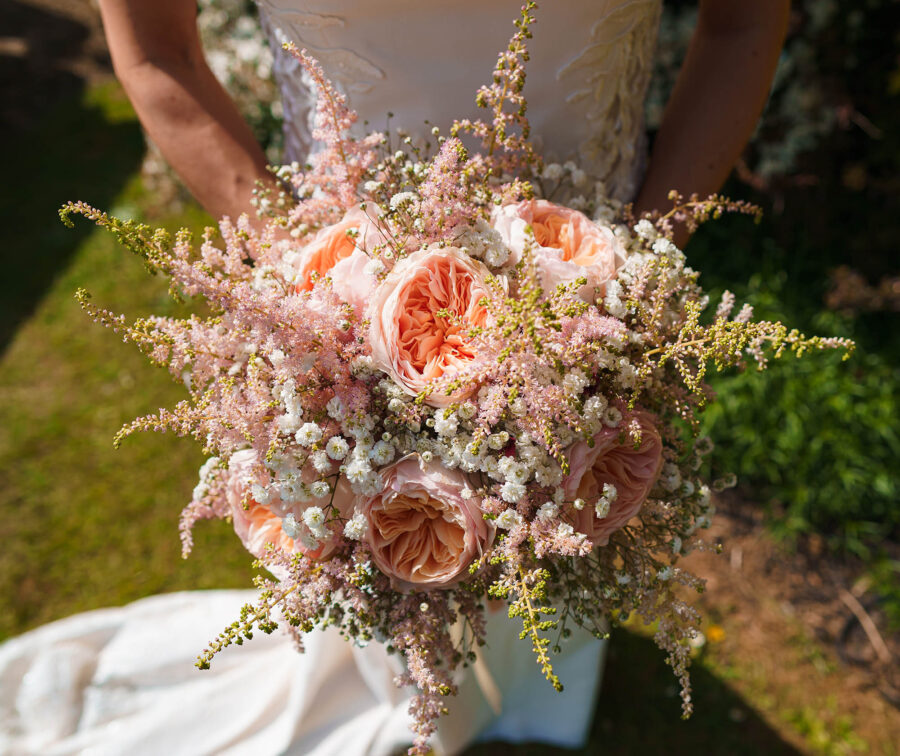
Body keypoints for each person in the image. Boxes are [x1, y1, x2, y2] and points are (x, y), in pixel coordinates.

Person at [0, 2, 789, 754]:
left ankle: (529, 679)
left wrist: (636, 273)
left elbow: (744, 22)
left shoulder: (607, 292)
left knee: (568, 489)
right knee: (405, 519)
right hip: (338, 267)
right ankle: (428, 693)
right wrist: (311, 300)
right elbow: (154, 51)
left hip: (588, 266)